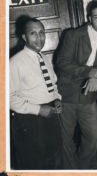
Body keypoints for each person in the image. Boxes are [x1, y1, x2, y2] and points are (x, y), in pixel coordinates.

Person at [56, 0, 97, 169]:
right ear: (89, 19)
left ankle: (82, 167)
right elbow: (62, 63)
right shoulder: (73, 35)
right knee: (65, 139)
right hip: (67, 93)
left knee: (93, 137)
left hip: (89, 94)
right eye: (96, 17)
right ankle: (70, 170)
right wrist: (89, 72)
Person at [10, 18, 62, 169]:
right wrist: (38, 110)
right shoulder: (15, 63)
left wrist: (57, 99)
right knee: (34, 164)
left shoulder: (44, 58)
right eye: (33, 33)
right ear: (24, 37)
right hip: (29, 121)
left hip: (50, 116)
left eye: (42, 33)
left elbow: (53, 84)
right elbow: (8, 97)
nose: (39, 38)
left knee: (54, 159)